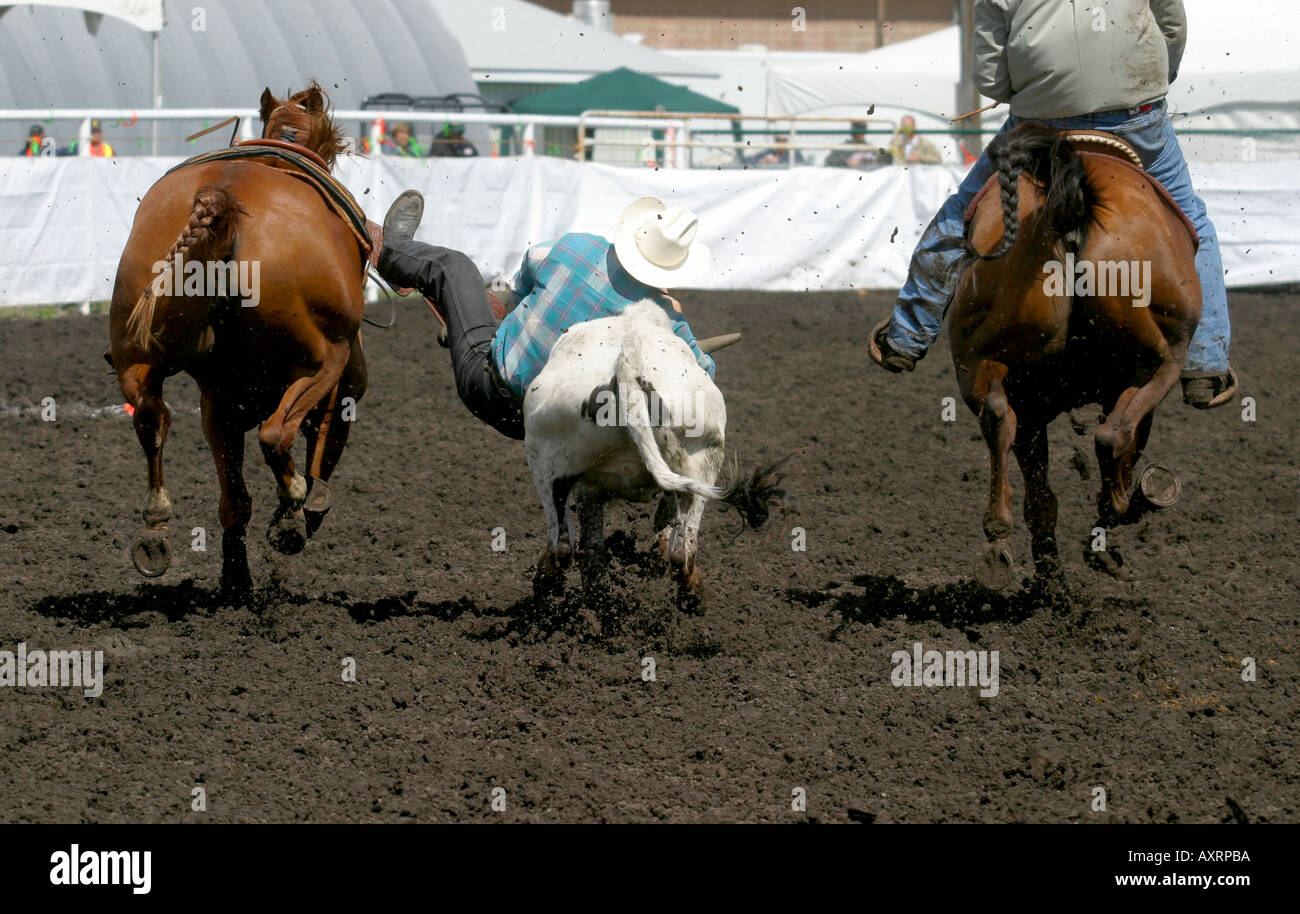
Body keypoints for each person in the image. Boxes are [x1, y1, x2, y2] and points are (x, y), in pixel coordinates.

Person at [871, 0, 1233, 409]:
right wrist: (1146, 82)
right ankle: (1205, 362)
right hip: (1137, 121)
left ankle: (907, 336)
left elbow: (990, 77)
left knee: (960, 216)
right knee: (1192, 223)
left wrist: (1037, 90)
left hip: (1040, 125)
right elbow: (1172, 28)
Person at [371, 191, 716, 439]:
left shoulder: (575, 248)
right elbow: (702, 377)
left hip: (490, 387)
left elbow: (526, 275)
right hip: (555, 427)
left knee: (455, 267)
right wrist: (674, 327)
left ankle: (394, 252)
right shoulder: (665, 320)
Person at [825, 121, 892, 169]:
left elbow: (883, 162)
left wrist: (878, 163)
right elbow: (829, 162)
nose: (861, 133)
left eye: (863, 129)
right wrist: (845, 162)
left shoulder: (870, 147)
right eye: (859, 130)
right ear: (853, 131)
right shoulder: (843, 148)